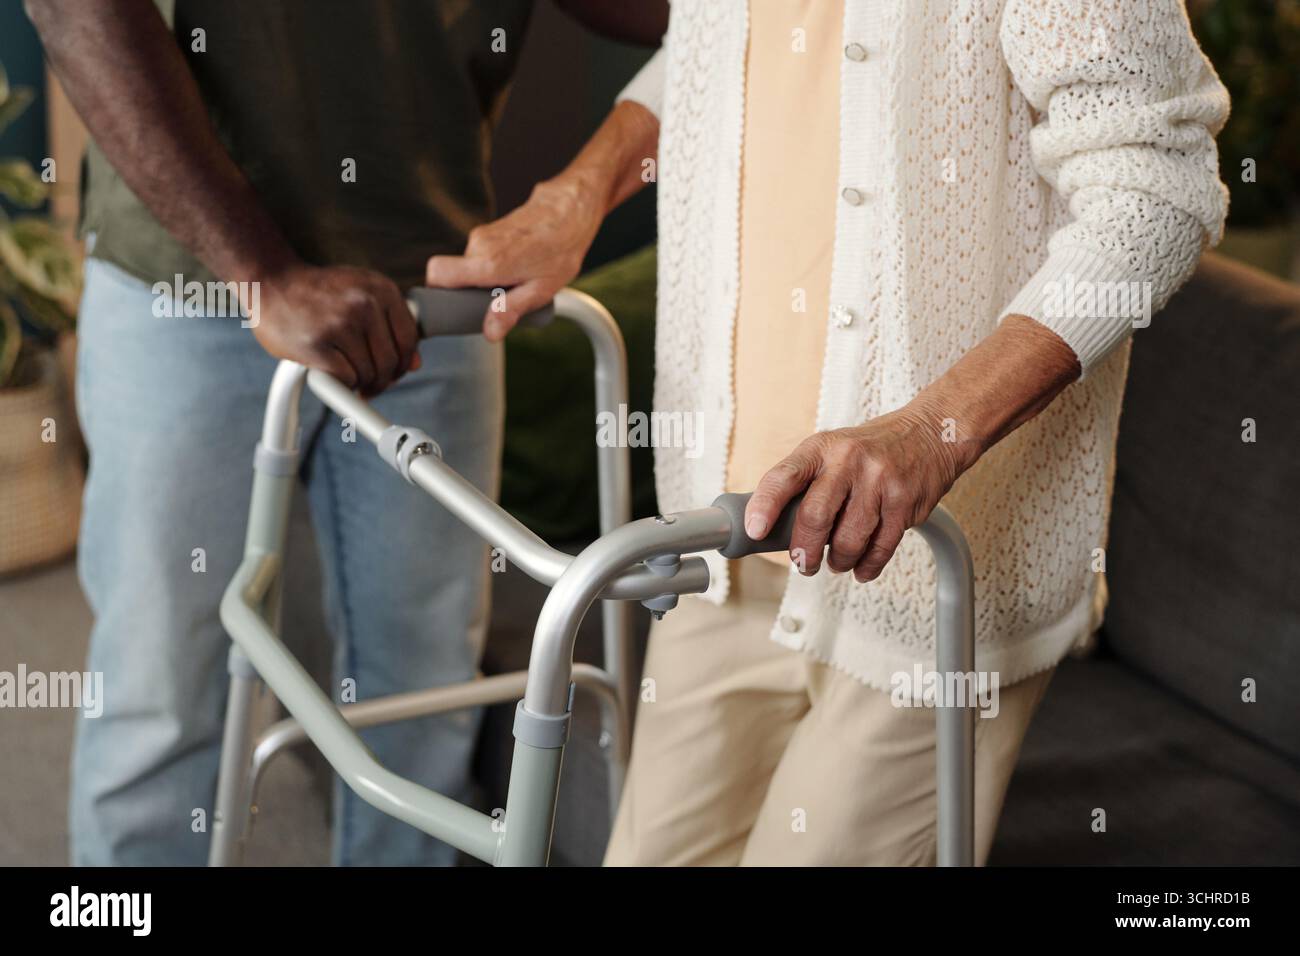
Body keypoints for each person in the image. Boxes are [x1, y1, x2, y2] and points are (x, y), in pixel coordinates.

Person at [425, 0, 1230, 865]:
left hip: (933, 581)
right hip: (720, 542)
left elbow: (1156, 192)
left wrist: (933, 430)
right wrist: (578, 195)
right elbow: (710, 56)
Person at [26, 0, 667, 866]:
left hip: (432, 288)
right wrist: (261, 272)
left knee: (425, 696)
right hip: (184, 283)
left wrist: (582, 191)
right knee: (158, 694)